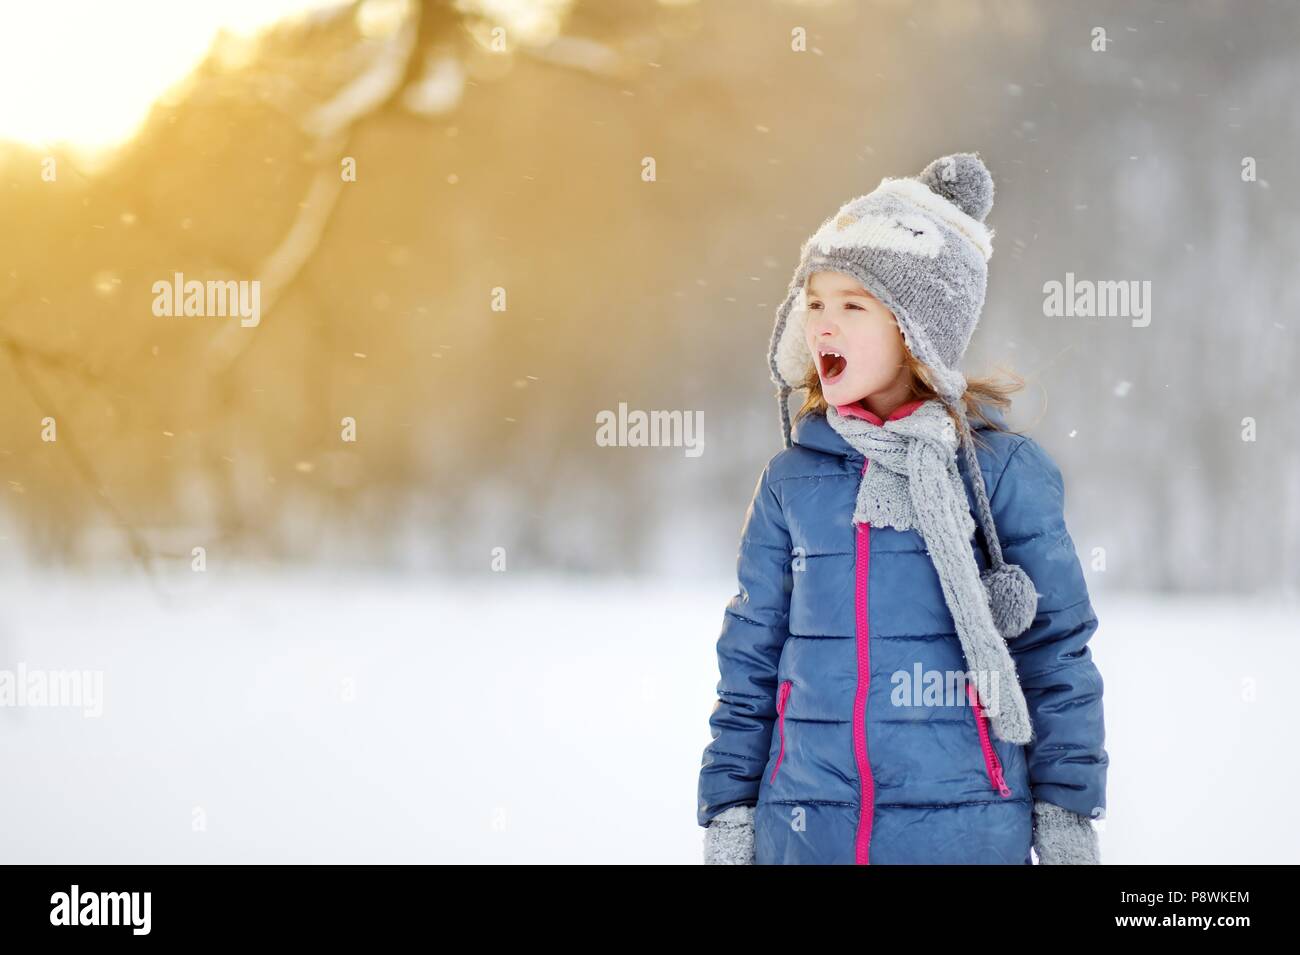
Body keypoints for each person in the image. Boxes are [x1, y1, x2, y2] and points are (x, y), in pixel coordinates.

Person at [697, 152, 1107, 864]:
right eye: (815, 302)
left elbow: (1055, 652)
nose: (825, 323)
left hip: (965, 834)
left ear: (918, 329)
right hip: (806, 832)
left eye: (853, 305)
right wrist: (731, 807)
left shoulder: (997, 472)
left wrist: (1065, 806)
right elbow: (750, 659)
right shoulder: (793, 482)